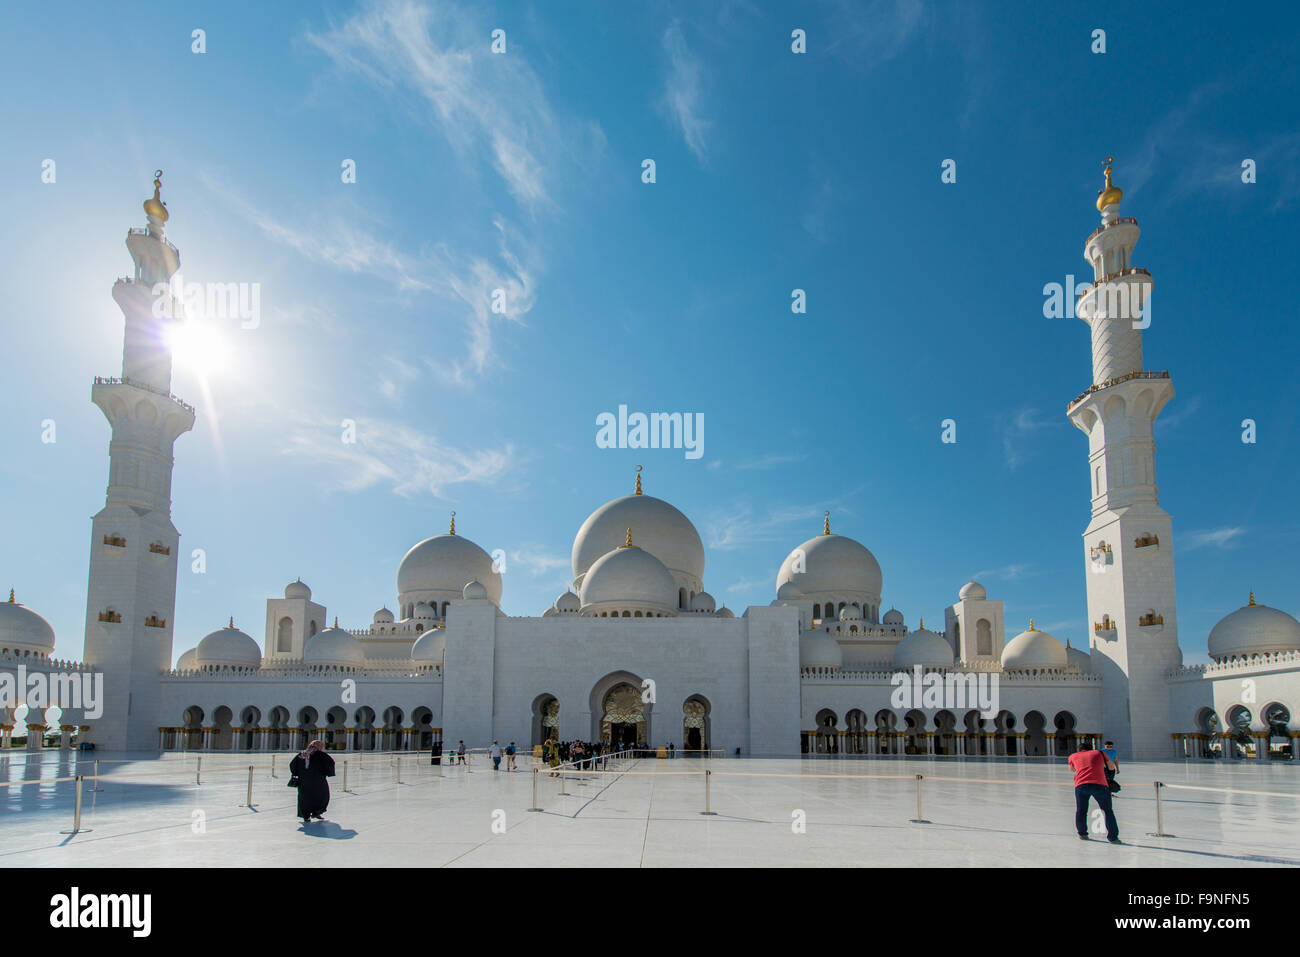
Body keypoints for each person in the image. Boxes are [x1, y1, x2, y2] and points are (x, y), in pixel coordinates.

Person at [1068, 745, 1120, 843]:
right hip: (1100, 784)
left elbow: (1072, 769)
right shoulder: (1099, 753)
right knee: (1107, 811)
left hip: (1081, 785)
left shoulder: (1073, 756)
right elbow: (1111, 766)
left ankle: (1082, 833)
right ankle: (1113, 838)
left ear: (1079, 749)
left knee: (1081, 810)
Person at [289, 740, 335, 823]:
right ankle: (316, 812)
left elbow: (292, 765)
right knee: (321, 797)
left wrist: (296, 773)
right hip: (318, 781)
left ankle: (306, 816)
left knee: (304, 798)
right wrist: (327, 772)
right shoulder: (321, 755)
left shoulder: (301, 754)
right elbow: (330, 763)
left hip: (304, 781)